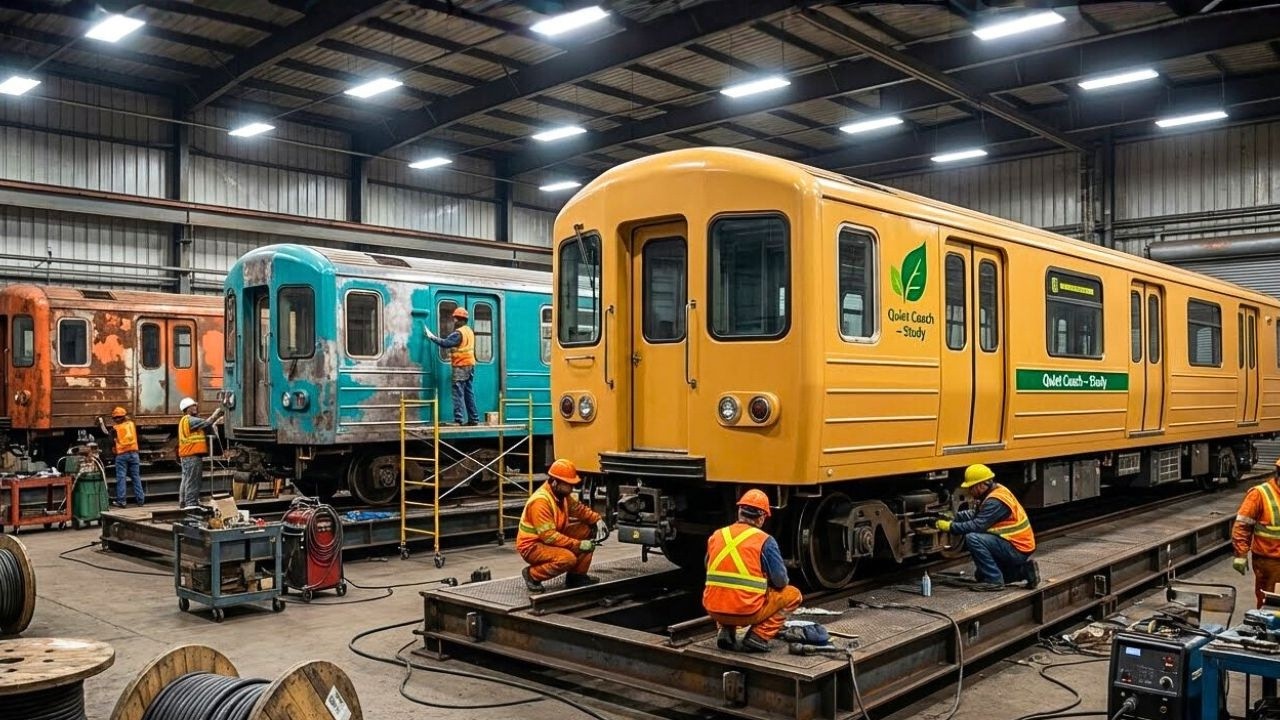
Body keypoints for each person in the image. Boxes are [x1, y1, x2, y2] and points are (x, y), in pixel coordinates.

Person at [703, 489, 803, 653]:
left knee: (724, 590)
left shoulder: (717, 535)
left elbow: (708, 566)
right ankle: (758, 637)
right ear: (762, 517)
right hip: (746, 612)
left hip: (714, 610)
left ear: (740, 511)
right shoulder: (765, 541)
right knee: (793, 595)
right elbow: (781, 581)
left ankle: (725, 631)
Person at [936, 464, 1040, 588]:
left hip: (1017, 548)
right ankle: (1026, 572)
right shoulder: (995, 491)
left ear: (981, 485)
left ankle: (994, 581)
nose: (969, 491)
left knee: (973, 538)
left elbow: (977, 526)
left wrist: (950, 527)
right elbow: (977, 514)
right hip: (1015, 544)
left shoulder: (995, 501)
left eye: (971, 487)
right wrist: (955, 517)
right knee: (980, 576)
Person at [516, 459, 608, 593]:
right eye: (569, 485)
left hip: (549, 538)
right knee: (567, 559)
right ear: (555, 482)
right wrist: (578, 545)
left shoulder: (562, 495)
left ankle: (577, 577)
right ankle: (532, 574)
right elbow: (549, 537)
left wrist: (596, 520)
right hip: (532, 545)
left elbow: (578, 509)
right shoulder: (540, 502)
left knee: (587, 530)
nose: (572, 488)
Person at [1231, 458, 1280, 607]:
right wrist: (1241, 553)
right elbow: (1242, 525)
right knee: (1271, 605)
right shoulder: (1259, 494)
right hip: (1269, 561)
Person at [423, 307, 479, 426]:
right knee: (469, 392)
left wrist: (431, 337)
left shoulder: (459, 333)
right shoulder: (469, 330)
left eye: (455, 319)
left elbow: (445, 344)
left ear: (459, 319)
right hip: (470, 364)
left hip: (461, 366)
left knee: (457, 392)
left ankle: (458, 419)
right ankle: (474, 419)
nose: (454, 321)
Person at [177, 397, 224, 509]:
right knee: (193, 480)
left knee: (186, 479)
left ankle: (183, 502)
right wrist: (216, 414)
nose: (195, 407)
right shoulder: (190, 420)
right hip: (192, 455)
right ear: (187, 409)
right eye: (193, 406)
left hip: (186, 455)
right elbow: (207, 423)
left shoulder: (184, 420)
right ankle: (191, 503)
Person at [97, 406, 143, 508]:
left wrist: (101, 424)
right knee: (136, 477)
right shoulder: (131, 424)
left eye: (114, 418)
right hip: (134, 454)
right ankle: (140, 500)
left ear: (118, 418)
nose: (114, 420)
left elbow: (109, 440)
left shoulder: (115, 429)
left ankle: (122, 501)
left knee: (121, 478)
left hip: (122, 455)